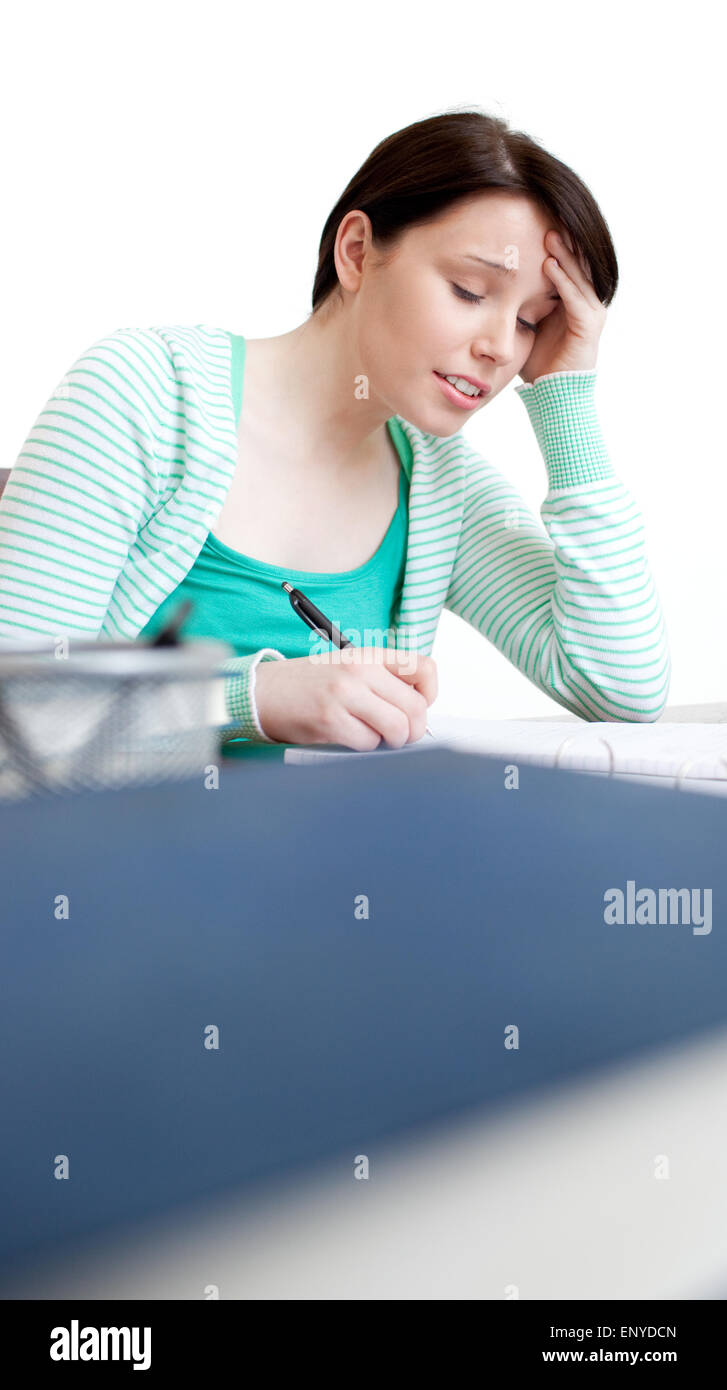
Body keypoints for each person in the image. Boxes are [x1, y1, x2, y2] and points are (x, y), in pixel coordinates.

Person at [0, 110, 670, 758]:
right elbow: (14, 710)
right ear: (355, 253)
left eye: (529, 322)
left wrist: (564, 401)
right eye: (469, 291)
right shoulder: (146, 395)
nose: (501, 346)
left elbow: (624, 686)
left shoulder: (442, 485)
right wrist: (253, 698)